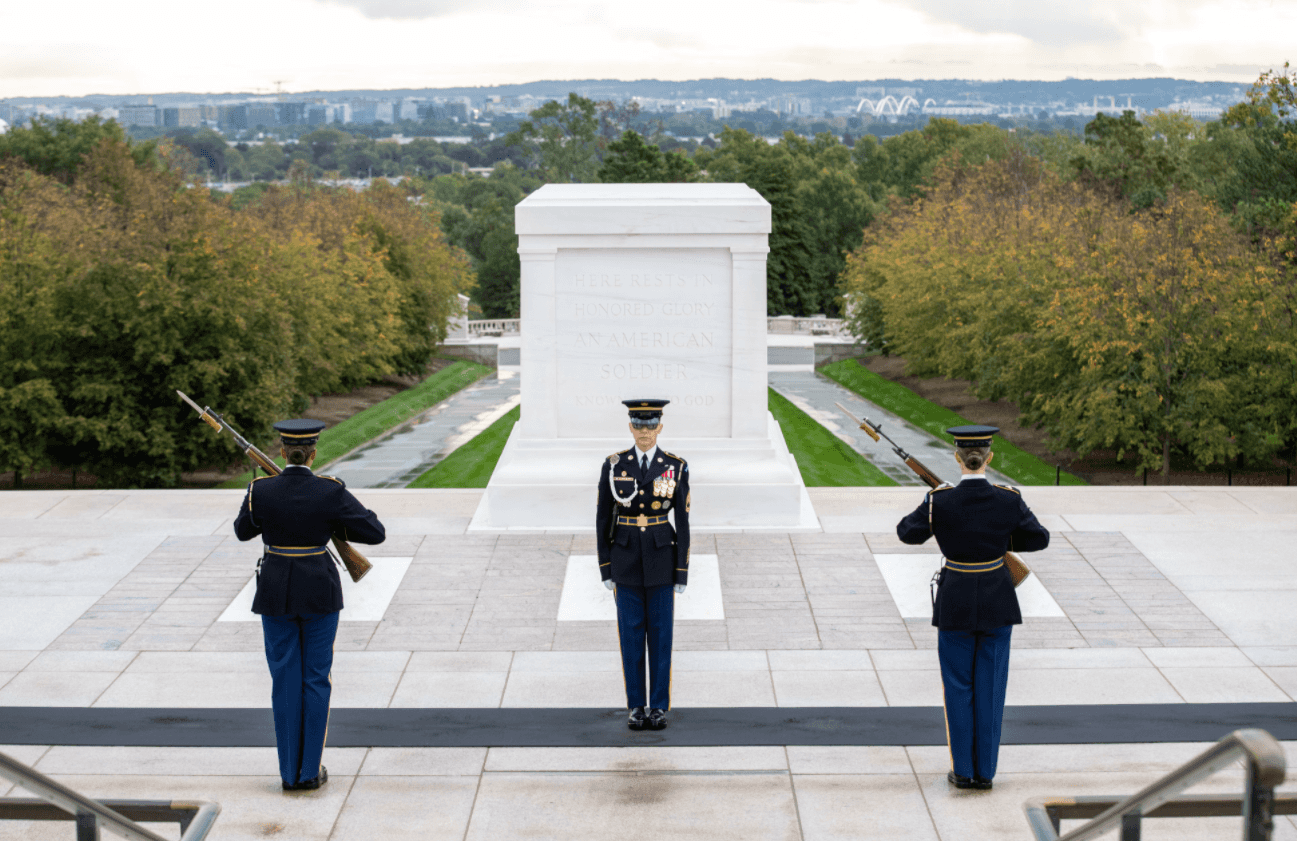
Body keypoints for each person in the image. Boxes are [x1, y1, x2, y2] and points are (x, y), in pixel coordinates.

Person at [233, 419, 386, 792]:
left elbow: (242, 531)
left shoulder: (261, 489)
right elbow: (376, 532)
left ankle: (288, 774)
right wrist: (333, 520)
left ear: (282, 452)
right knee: (316, 679)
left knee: (285, 678)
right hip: (319, 591)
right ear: (314, 452)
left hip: (275, 593)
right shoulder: (330, 491)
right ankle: (308, 772)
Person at [896, 425, 1049, 791]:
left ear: (957, 457)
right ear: (990, 457)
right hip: (997, 601)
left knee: (958, 687)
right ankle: (986, 774)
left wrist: (939, 512)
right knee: (991, 688)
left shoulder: (940, 501)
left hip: (956, 602)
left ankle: (963, 770)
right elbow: (1039, 538)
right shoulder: (1008, 499)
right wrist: (999, 535)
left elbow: (907, 532)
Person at [596, 399, 691, 731]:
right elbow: (603, 519)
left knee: (661, 636)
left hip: (662, 558)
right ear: (631, 427)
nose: (645, 432)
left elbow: (683, 520)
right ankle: (636, 705)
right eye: (639, 425)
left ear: (660, 427)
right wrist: (606, 567)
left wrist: (682, 570)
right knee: (631, 636)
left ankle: (658, 706)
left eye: (651, 426)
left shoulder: (674, 466)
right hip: (625, 559)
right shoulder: (614, 465)